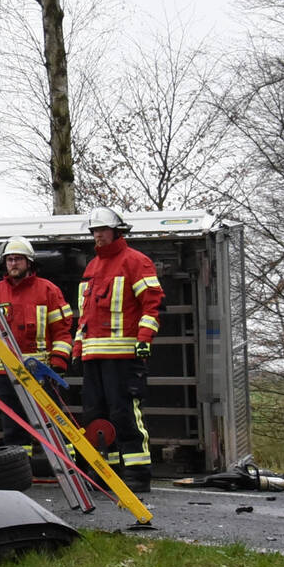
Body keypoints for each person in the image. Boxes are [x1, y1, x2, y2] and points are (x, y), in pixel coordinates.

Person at [73, 206, 164, 492]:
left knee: (124, 413)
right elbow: (85, 313)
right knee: (95, 416)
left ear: (117, 231)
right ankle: (105, 471)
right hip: (93, 355)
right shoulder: (92, 267)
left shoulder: (136, 262)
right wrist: (78, 346)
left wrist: (145, 338)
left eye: (101, 230)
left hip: (124, 354)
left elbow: (153, 303)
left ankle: (137, 474)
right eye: (94, 231)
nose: (97, 235)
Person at [0, 236, 73, 474]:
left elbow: (62, 330)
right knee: (13, 425)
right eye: (9, 259)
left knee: (52, 421)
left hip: (39, 372)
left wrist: (59, 360)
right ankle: (22, 469)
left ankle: (69, 467)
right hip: (4, 371)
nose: (13, 263)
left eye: (17, 259)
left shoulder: (49, 290)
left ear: (29, 262)